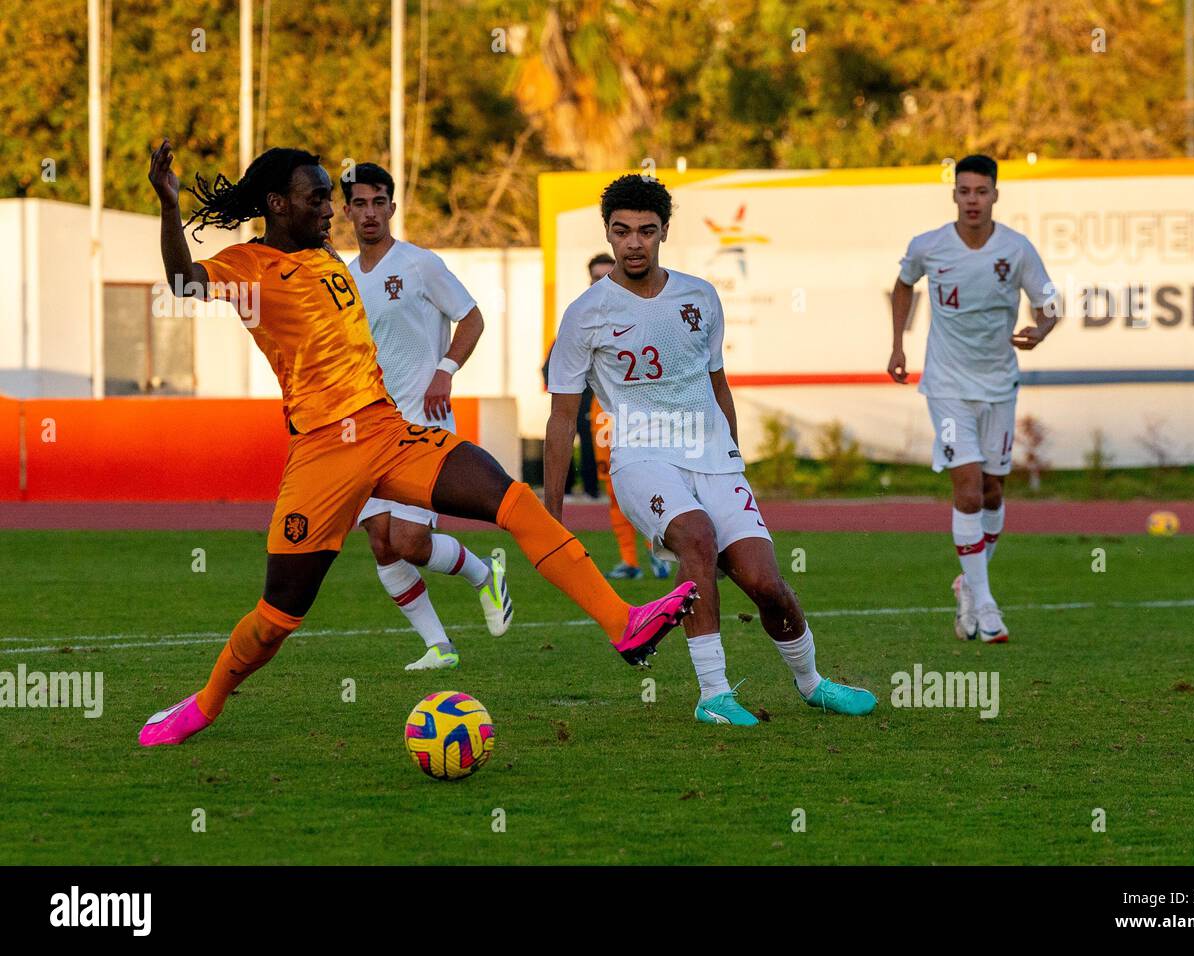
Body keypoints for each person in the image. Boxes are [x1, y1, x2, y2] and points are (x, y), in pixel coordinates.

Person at [138, 141, 697, 747]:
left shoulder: (330, 255)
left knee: (510, 498)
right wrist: (170, 206)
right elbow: (181, 282)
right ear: (276, 204)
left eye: (334, 197)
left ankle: (624, 623)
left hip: (388, 430)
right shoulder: (250, 266)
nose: (333, 210)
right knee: (277, 618)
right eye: (319, 198)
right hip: (323, 454)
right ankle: (204, 704)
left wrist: (441, 367)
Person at [544, 173, 876, 726]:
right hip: (643, 459)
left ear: (664, 232)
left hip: (715, 460)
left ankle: (812, 684)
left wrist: (735, 463)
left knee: (767, 585)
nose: (633, 244)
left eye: (645, 232)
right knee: (696, 538)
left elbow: (718, 384)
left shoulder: (699, 296)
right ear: (607, 232)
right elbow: (560, 417)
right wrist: (551, 513)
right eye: (621, 231)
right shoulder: (586, 313)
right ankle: (714, 695)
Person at [341, 162, 508, 672]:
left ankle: (485, 574)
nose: (370, 212)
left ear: (393, 207)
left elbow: (473, 317)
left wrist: (446, 370)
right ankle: (439, 645)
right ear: (346, 212)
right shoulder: (344, 279)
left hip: (422, 422)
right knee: (380, 541)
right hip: (370, 428)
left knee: (409, 542)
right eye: (360, 203)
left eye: (378, 201)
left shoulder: (419, 265)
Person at [887, 154, 1060, 643]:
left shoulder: (1016, 249)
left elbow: (1050, 301)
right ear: (954, 196)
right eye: (964, 191)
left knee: (992, 492)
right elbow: (903, 285)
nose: (972, 201)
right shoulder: (930, 245)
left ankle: (969, 583)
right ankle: (986, 607)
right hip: (946, 387)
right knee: (966, 488)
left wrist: (1042, 328)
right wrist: (899, 343)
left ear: (995, 196)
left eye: (981, 192)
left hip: (999, 386)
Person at [584, 252, 671, 581]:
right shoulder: (584, 316)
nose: (602, 282)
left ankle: (658, 548)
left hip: (642, 413)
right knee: (615, 489)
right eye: (596, 277)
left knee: (650, 482)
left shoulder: (647, 312)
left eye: (607, 275)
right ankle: (630, 561)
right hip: (603, 416)